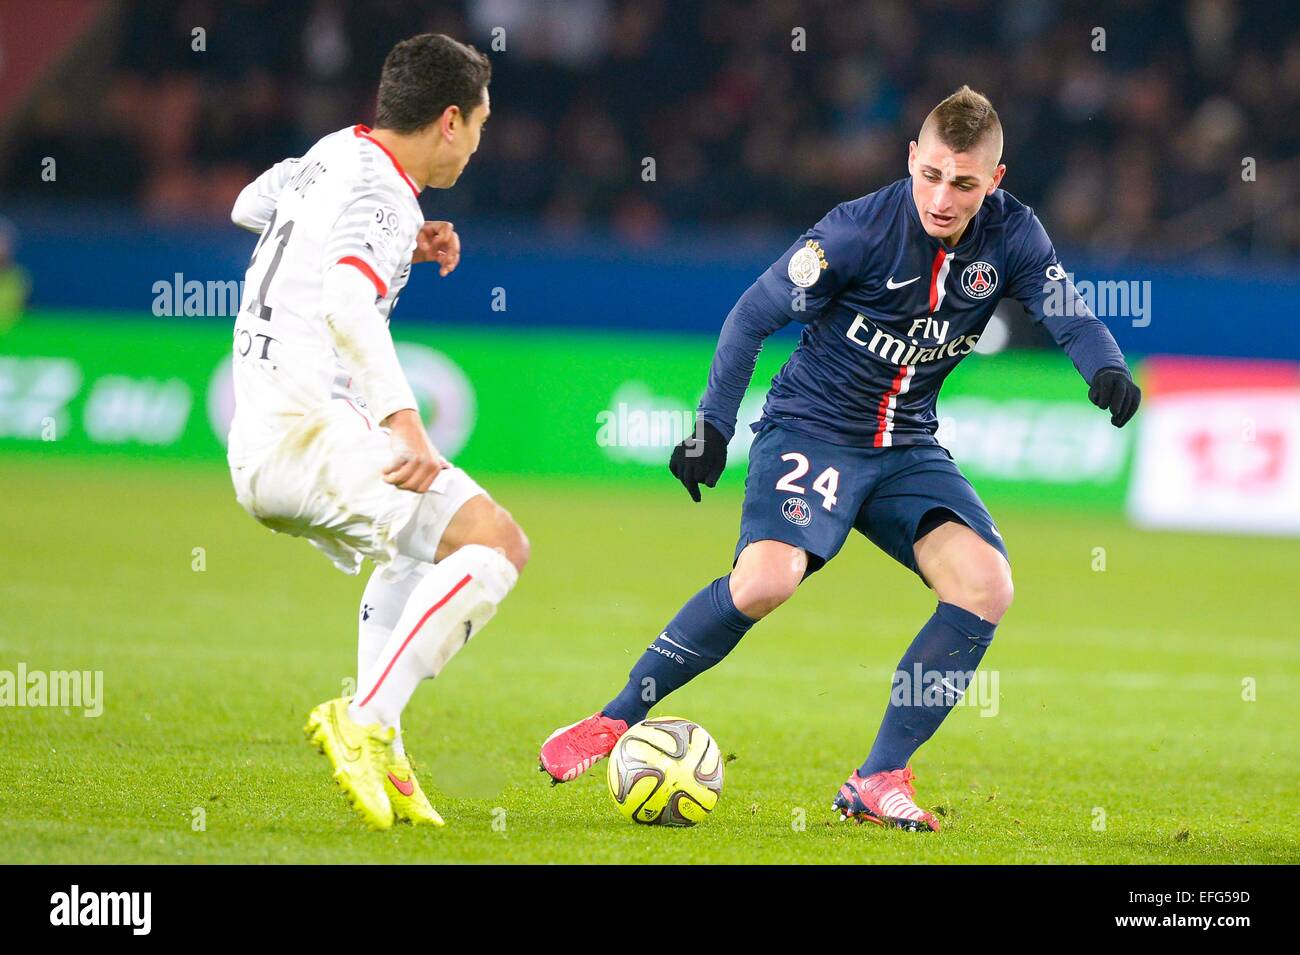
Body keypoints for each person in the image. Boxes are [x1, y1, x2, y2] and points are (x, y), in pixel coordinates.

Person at [539, 86, 1140, 831]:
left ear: (996, 181)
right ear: (911, 158)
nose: (943, 198)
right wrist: (713, 426)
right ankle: (615, 719)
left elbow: (1067, 311)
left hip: (906, 444)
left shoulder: (1015, 237)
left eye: (964, 183)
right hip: (811, 430)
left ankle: (878, 775)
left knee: (986, 583)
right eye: (932, 175)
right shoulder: (856, 232)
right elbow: (752, 314)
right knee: (766, 580)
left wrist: (1103, 366)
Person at [228, 34, 527, 830]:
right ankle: (364, 718)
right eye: (483, 125)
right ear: (452, 121)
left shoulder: (335, 155)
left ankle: (384, 743)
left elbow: (250, 206)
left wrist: (402, 250)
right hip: (311, 435)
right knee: (495, 545)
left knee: (412, 547)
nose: (480, 143)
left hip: (264, 439)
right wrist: (407, 427)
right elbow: (346, 305)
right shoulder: (385, 199)